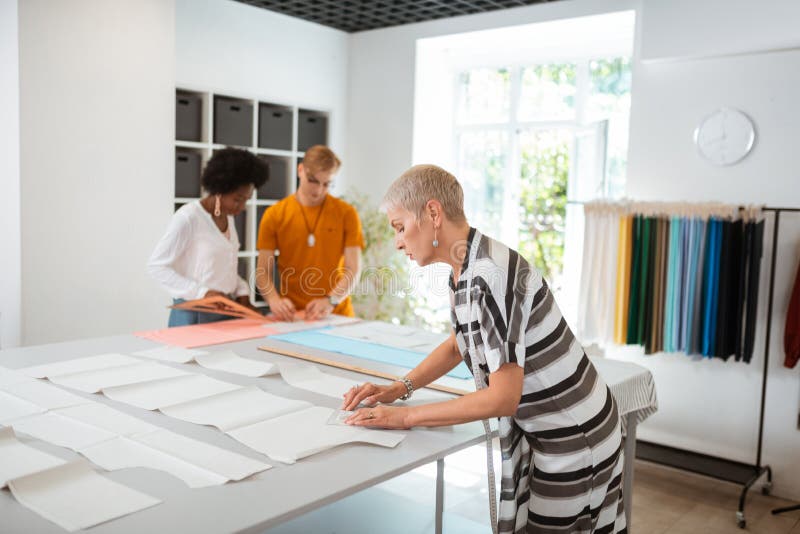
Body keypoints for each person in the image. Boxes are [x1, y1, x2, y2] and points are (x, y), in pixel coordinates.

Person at [342, 165, 626, 534]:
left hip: (575, 435)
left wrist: (406, 417)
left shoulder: (489, 275)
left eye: (399, 227)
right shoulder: (465, 266)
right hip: (559, 429)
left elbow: (502, 399)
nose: (397, 241)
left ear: (432, 213)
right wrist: (400, 388)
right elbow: (459, 342)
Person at [148, 147, 269, 326]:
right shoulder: (188, 218)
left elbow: (220, 268)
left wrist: (242, 291)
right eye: (237, 199)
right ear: (219, 189)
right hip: (193, 314)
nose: (242, 207)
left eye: (246, 199)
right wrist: (202, 293)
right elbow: (157, 267)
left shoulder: (228, 217)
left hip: (224, 311)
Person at [256, 145, 363, 321]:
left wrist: (331, 300)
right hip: (293, 316)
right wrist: (273, 300)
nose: (319, 190)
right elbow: (263, 271)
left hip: (337, 314)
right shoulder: (274, 214)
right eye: (313, 180)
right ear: (300, 170)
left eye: (327, 184)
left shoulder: (346, 213)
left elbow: (353, 269)